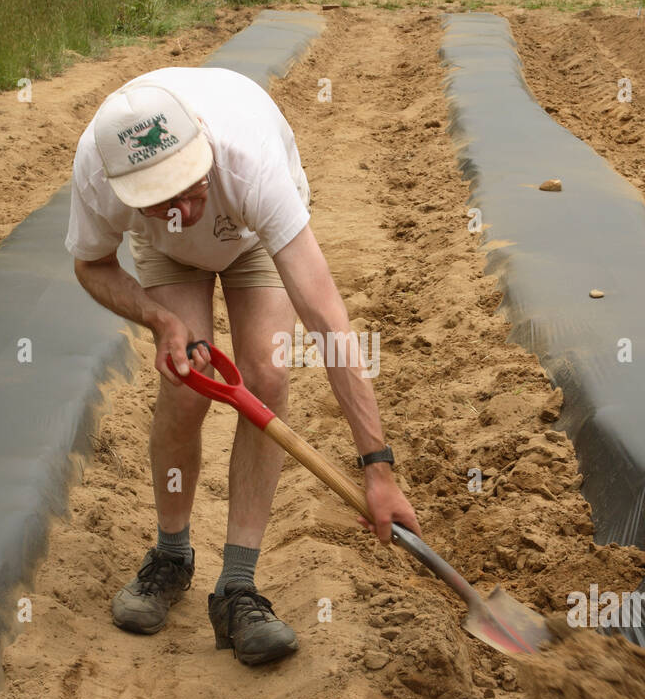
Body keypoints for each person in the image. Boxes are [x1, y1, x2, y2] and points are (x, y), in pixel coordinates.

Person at [66, 66, 421, 667]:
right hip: (169, 260)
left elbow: (327, 319)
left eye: (190, 185)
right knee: (185, 389)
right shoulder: (98, 173)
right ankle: (172, 555)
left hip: (250, 236)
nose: (184, 206)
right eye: (163, 199)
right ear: (127, 188)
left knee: (268, 372)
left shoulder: (249, 161)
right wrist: (161, 321)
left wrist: (377, 467)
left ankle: (238, 586)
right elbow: (91, 265)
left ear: (204, 144)